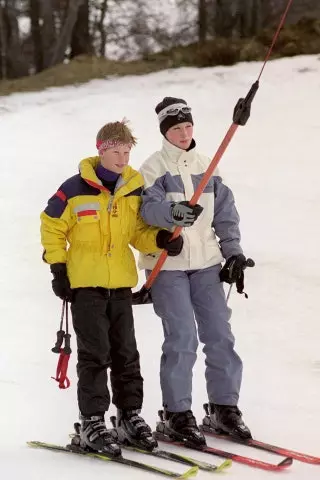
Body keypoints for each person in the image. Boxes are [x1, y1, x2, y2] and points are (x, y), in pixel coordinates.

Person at [40, 120, 183, 455]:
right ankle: (92, 422)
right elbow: (51, 226)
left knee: (126, 354)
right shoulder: (73, 190)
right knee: (95, 355)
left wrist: (160, 239)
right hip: (85, 287)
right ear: (101, 150)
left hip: (120, 285)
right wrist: (58, 267)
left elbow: (137, 232)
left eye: (127, 152)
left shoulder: (132, 189)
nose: (122, 159)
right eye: (116, 152)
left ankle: (129, 417)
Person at [138, 97, 252, 444]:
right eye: (176, 129)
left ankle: (223, 407)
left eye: (188, 127)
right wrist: (172, 215)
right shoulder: (152, 168)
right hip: (168, 267)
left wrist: (232, 253)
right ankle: (177, 413)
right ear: (165, 132)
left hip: (206, 265)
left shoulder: (209, 165)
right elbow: (147, 209)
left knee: (220, 334)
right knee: (182, 337)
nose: (184, 133)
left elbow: (225, 214)